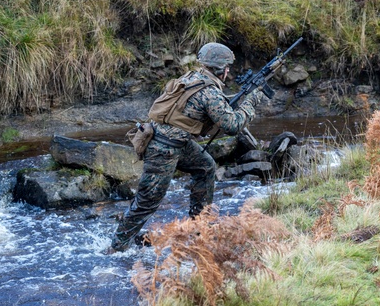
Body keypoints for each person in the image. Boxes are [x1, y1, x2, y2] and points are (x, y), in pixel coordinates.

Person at [107, 42, 264, 253]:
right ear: (220, 69)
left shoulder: (192, 77)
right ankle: (116, 249)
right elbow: (232, 125)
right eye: (227, 67)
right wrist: (251, 102)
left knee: (206, 167)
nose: (228, 71)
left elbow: (212, 110)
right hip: (163, 149)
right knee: (147, 202)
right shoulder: (210, 92)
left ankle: (199, 229)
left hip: (176, 143)